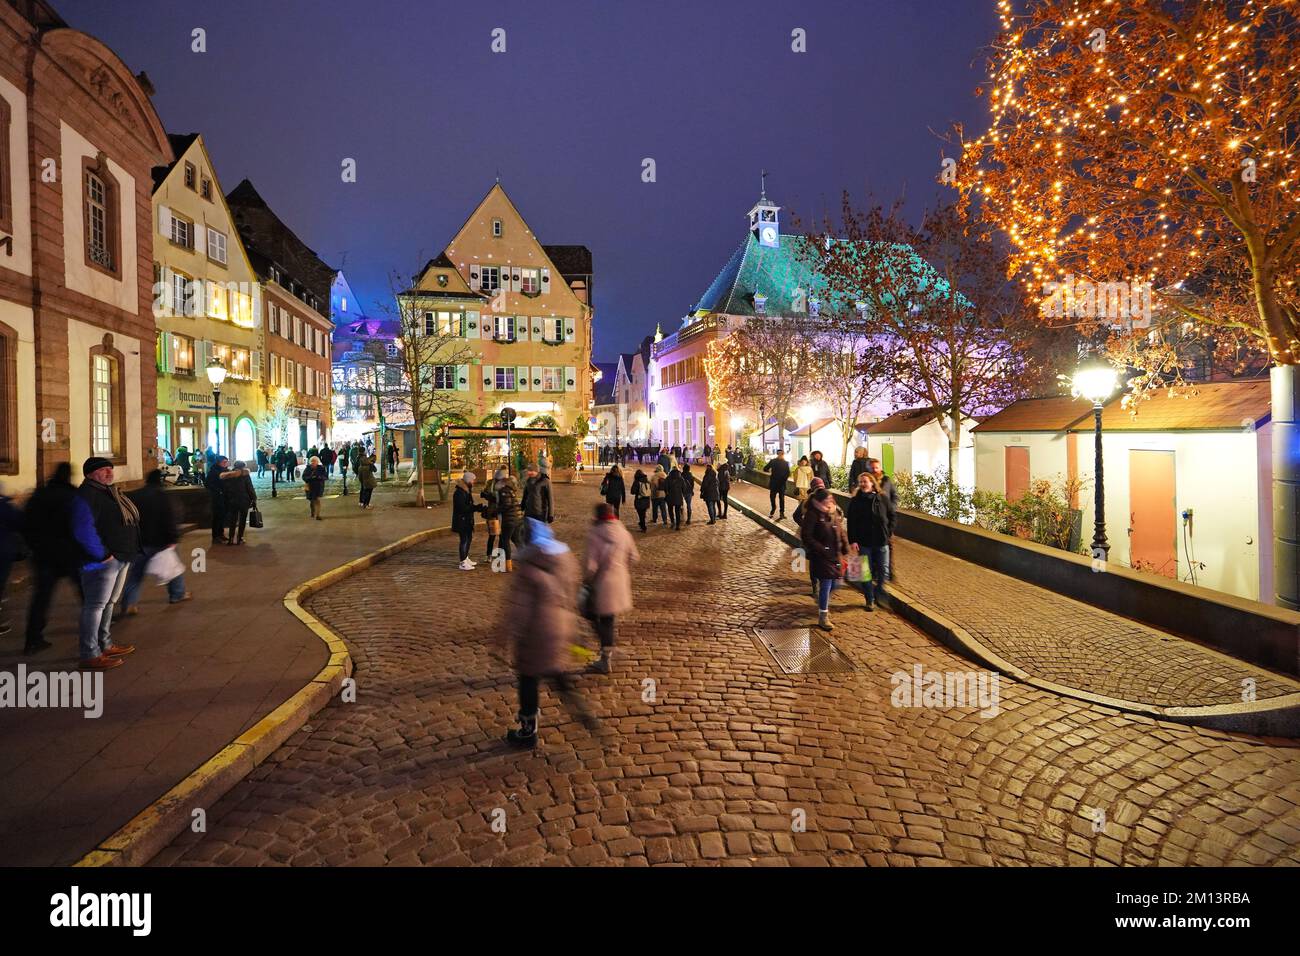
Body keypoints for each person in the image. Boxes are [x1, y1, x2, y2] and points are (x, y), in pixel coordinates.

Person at [497, 517, 580, 748]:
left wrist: (501, 640)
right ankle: (578, 706)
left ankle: (528, 730)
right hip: (561, 628)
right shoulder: (565, 560)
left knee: (528, 680)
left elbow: (518, 611)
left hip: (537, 633)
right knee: (554, 669)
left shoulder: (529, 570)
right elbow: (572, 595)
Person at [70, 457, 141, 670]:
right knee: (95, 605)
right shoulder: (86, 495)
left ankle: (105, 643)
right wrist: (102, 555)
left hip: (120, 556)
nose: (109, 473)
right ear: (90, 474)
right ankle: (89, 653)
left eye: (111, 469)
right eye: (103, 470)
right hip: (102, 561)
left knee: (109, 602)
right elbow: (83, 529)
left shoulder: (108, 492)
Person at [21, 463, 83, 653]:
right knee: (86, 594)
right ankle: (96, 629)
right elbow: (80, 526)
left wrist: (34, 546)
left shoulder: (38, 495)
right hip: (69, 554)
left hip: (43, 555)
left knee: (41, 598)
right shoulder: (73, 496)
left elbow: (26, 525)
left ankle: (32, 639)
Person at [122, 469, 191, 613]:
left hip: (141, 541)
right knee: (173, 568)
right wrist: (173, 538)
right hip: (162, 541)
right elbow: (171, 519)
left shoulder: (135, 495)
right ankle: (177, 594)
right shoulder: (165, 497)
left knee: (135, 574)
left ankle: (129, 603)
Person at [583, 502, 640, 674]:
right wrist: (621, 568)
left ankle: (606, 653)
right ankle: (606, 653)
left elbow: (590, 566)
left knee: (591, 615)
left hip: (602, 583)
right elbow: (634, 556)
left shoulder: (595, 534)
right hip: (620, 582)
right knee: (608, 620)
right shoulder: (623, 532)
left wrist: (586, 581)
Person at [800, 487, 848, 631]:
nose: (830, 501)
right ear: (820, 501)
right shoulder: (813, 514)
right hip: (822, 556)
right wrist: (821, 548)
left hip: (835, 554)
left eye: (831, 499)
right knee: (826, 584)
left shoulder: (834, 512)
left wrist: (845, 545)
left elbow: (840, 530)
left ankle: (822, 600)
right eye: (827, 499)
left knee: (836, 583)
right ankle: (823, 616)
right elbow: (806, 536)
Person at [847, 471, 894, 611]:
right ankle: (869, 599)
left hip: (881, 541)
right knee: (864, 572)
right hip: (863, 541)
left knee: (883, 570)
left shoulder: (882, 498)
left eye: (865, 481)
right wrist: (853, 540)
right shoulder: (855, 501)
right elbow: (851, 522)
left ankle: (879, 591)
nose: (862, 484)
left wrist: (888, 532)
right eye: (860, 482)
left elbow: (892, 515)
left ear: (872, 483)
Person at [867, 457, 899, 581]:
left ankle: (888, 573)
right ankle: (871, 575)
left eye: (876, 467)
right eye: (872, 468)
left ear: (880, 468)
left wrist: (891, 508)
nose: (875, 470)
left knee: (887, 547)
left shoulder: (887, 481)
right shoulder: (866, 481)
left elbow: (894, 496)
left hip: (884, 521)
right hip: (870, 522)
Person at [220, 460, 257, 544]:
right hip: (244, 500)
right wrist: (254, 498)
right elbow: (249, 488)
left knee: (232, 520)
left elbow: (225, 489)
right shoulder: (245, 475)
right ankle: (240, 538)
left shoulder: (229, 475)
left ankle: (231, 538)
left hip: (232, 500)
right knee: (242, 519)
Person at [452, 471, 483, 570]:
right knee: (464, 540)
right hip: (462, 520)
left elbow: (468, 506)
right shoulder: (460, 492)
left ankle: (465, 557)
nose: (474, 482)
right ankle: (462, 562)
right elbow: (462, 508)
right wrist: (475, 508)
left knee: (468, 538)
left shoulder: (466, 490)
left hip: (466, 519)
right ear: (468, 480)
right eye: (473, 480)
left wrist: (476, 507)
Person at [205, 454, 229, 544]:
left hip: (224, 497)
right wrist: (218, 491)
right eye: (224, 462)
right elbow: (208, 484)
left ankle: (221, 534)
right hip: (217, 497)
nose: (226, 464)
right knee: (217, 516)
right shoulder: (213, 471)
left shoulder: (225, 470)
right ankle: (215, 536)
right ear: (219, 463)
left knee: (222, 516)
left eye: (227, 462)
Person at [763, 449, 791, 520]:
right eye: (779, 454)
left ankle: (781, 512)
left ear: (783, 454)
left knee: (781, 498)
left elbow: (788, 473)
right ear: (777, 454)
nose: (780, 455)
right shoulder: (774, 461)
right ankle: (774, 508)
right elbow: (765, 468)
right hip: (775, 482)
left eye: (781, 454)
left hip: (780, 483)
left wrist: (783, 479)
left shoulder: (785, 463)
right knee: (773, 497)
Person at [302, 455, 327, 519]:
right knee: (312, 501)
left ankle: (317, 515)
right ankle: (313, 512)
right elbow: (304, 477)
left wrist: (319, 477)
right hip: (310, 487)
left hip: (318, 487)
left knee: (317, 500)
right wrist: (310, 477)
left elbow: (325, 477)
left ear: (317, 462)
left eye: (314, 461)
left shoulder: (321, 468)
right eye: (312, 461)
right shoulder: (308, 468)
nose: (313, 462)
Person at [664, 465, 685, 530]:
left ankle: (673, 522)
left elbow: (665, 488)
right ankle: (677, 525)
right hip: (678, 497)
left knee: (670, 510)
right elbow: (684, 488)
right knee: (677, 511)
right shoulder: (681, 478)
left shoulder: (668, 478)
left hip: (670, 497)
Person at [631, 468, 651, 532]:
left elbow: (632, 491)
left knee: (640, 514)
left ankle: (643, 527)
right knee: (643, 513)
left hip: (639, 500)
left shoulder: (637, 482)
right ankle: (642, 523)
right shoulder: (647, 481)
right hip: (646, 500)